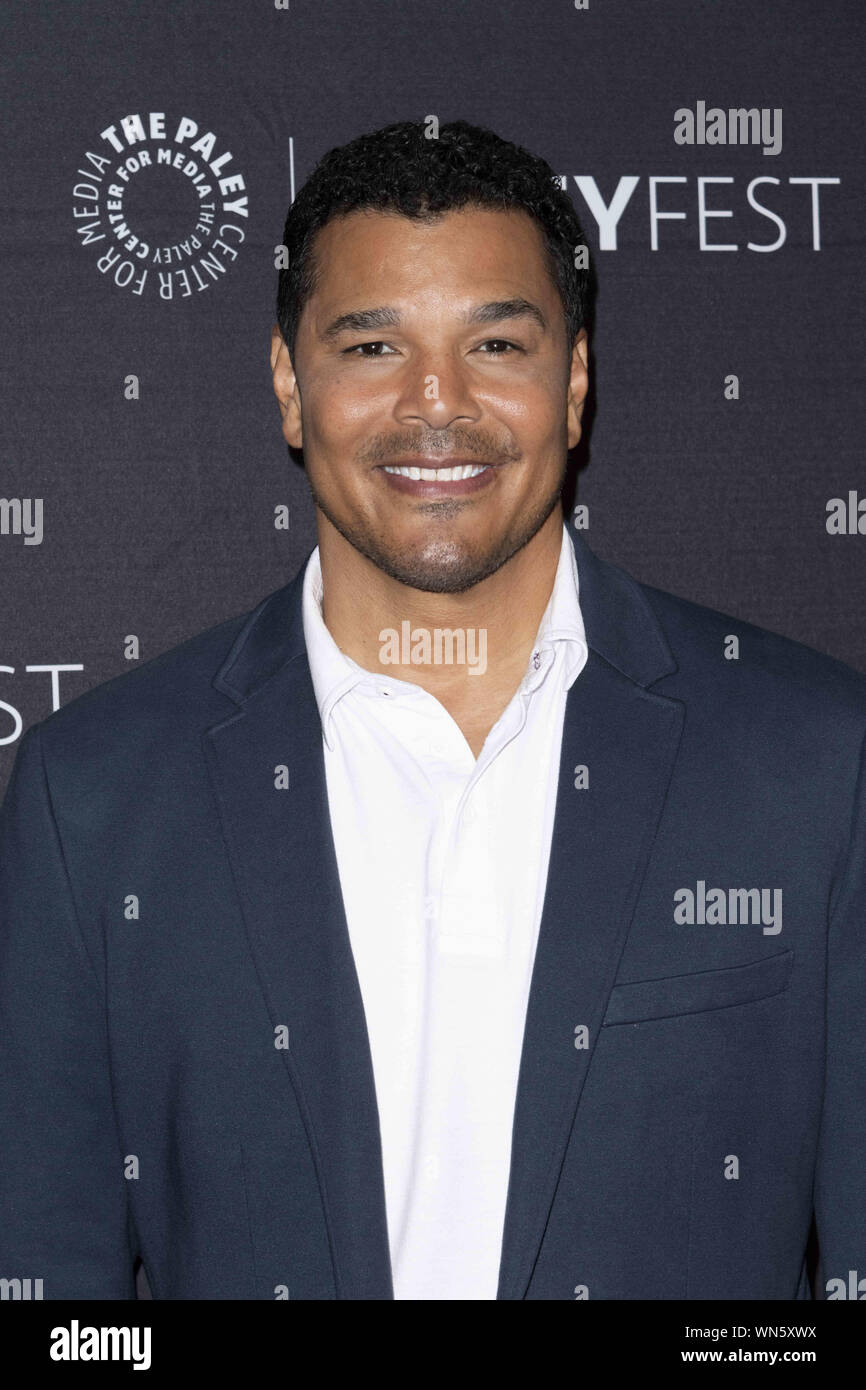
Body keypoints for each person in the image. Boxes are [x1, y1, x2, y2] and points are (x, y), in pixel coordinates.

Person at [0, 120, 864, 1301]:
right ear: (287, 384)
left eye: (494, 342)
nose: (434, 406)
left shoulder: (815, 762)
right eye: (369, 346)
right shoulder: (91, 800)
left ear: (572, 381)